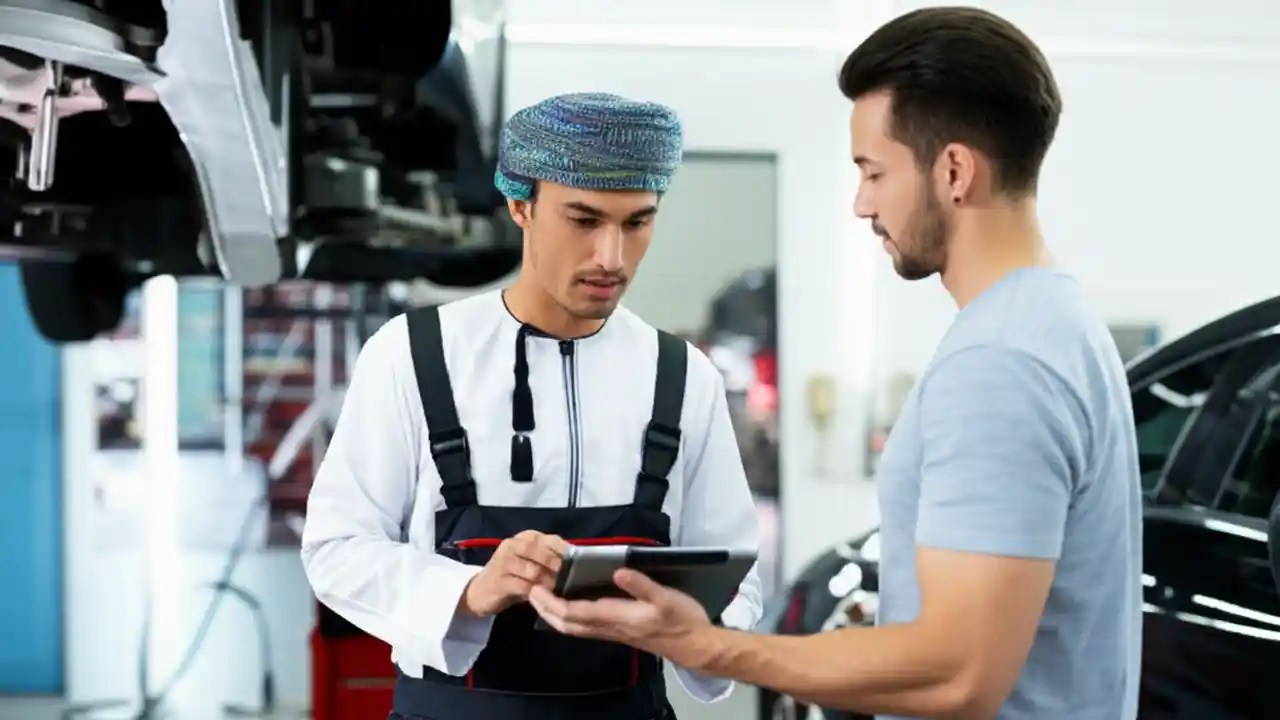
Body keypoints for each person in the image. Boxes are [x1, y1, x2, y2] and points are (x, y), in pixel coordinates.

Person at [529, 8, 1143, 720]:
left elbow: (958, 673)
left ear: (953, 171)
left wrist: (707, 644)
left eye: (873, 172)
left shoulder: (999, 364)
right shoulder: (1059, 325)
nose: (861, 204)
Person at [299, 91, 763, 720]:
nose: (611, 256)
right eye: (583, 219)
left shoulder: (684, 377)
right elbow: (336, 547)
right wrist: (470, 590)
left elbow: (736, 577)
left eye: (636, 222)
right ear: (520, 205)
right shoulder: (413, 356)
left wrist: (694, 625)